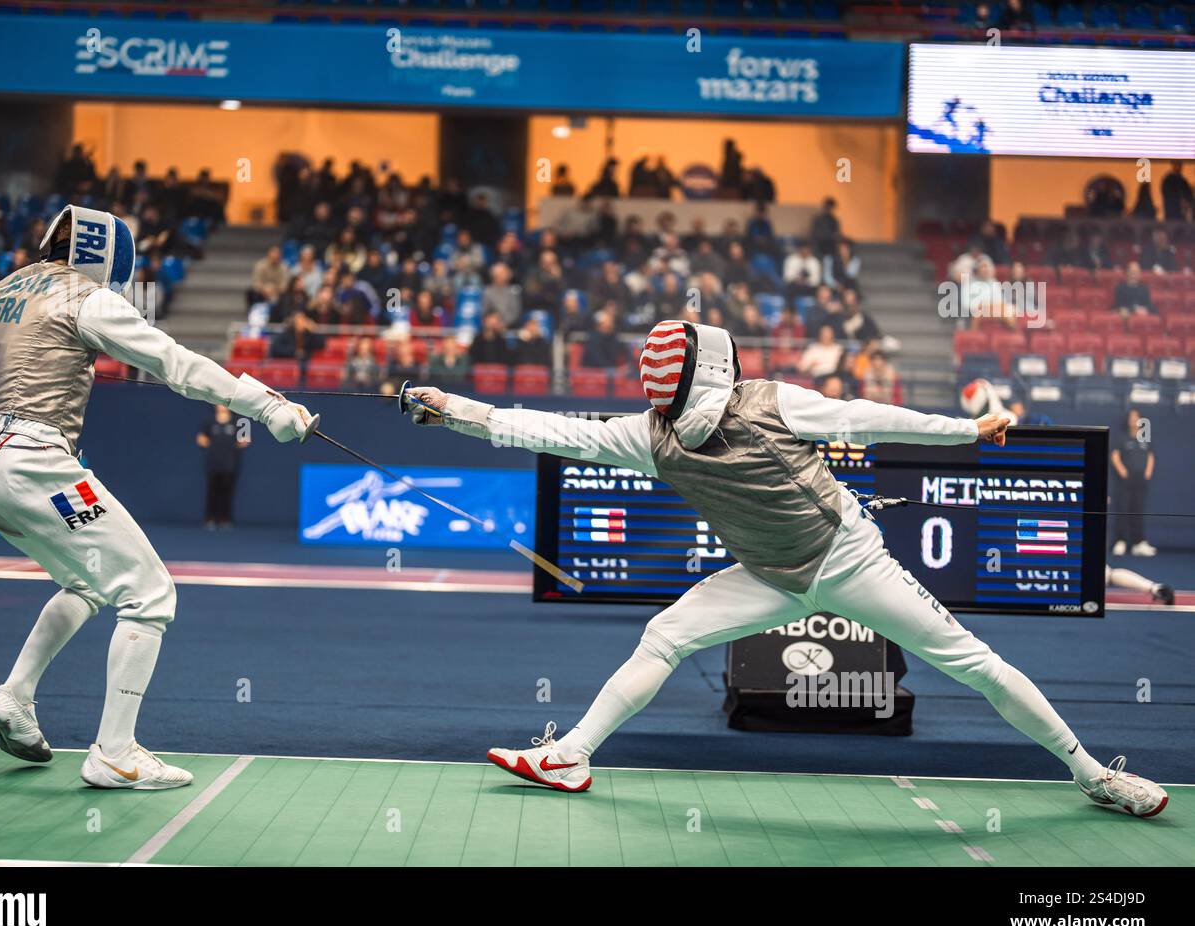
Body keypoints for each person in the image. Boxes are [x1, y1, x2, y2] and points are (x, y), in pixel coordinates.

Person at [402, 320, 1166, 817]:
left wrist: (456, 409)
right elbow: (876, 416)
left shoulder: (648, 432)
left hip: (836, 560)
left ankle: (1090, 773)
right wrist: (971, 428)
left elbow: (553, 430)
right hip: (788, 569)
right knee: (973, 664)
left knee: (969, 663)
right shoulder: (768, 400)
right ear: (716, 365)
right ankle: (569, 757)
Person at [0, 205, 317, 790]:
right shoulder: (86, 298)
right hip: (37, 467)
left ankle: (15, 697)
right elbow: (177, 364)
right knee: (150, 593)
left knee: (87, 582)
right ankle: (115, 752)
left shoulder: (1, 291)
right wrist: (269, 405)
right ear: (103, 258)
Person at [1110, 408, 1156, 557]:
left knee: (1138, 509)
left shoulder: (1145, 438)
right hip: (1126, 480)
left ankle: (1138, 543)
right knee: (1123, 508)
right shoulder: (1122, 438)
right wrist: (1123, 471)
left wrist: (1147, 472)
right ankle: (1121, 541)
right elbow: (1115, 455)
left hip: (1140, 480)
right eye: (1131, 417)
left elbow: (1150, 455)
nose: (1133, 420)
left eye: (1136, 417)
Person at [196, 404, 249, 530]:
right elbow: (200, 439)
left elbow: (245, 441)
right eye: (219, 402)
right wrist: (213, 445)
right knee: (212, 492)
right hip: (213, 463)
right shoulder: (209, 421)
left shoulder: (240, 421)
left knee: (227, 492)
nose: (222, 405)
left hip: (230, 463)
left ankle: (225, 519)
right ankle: (209, 519)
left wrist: (231, 444)